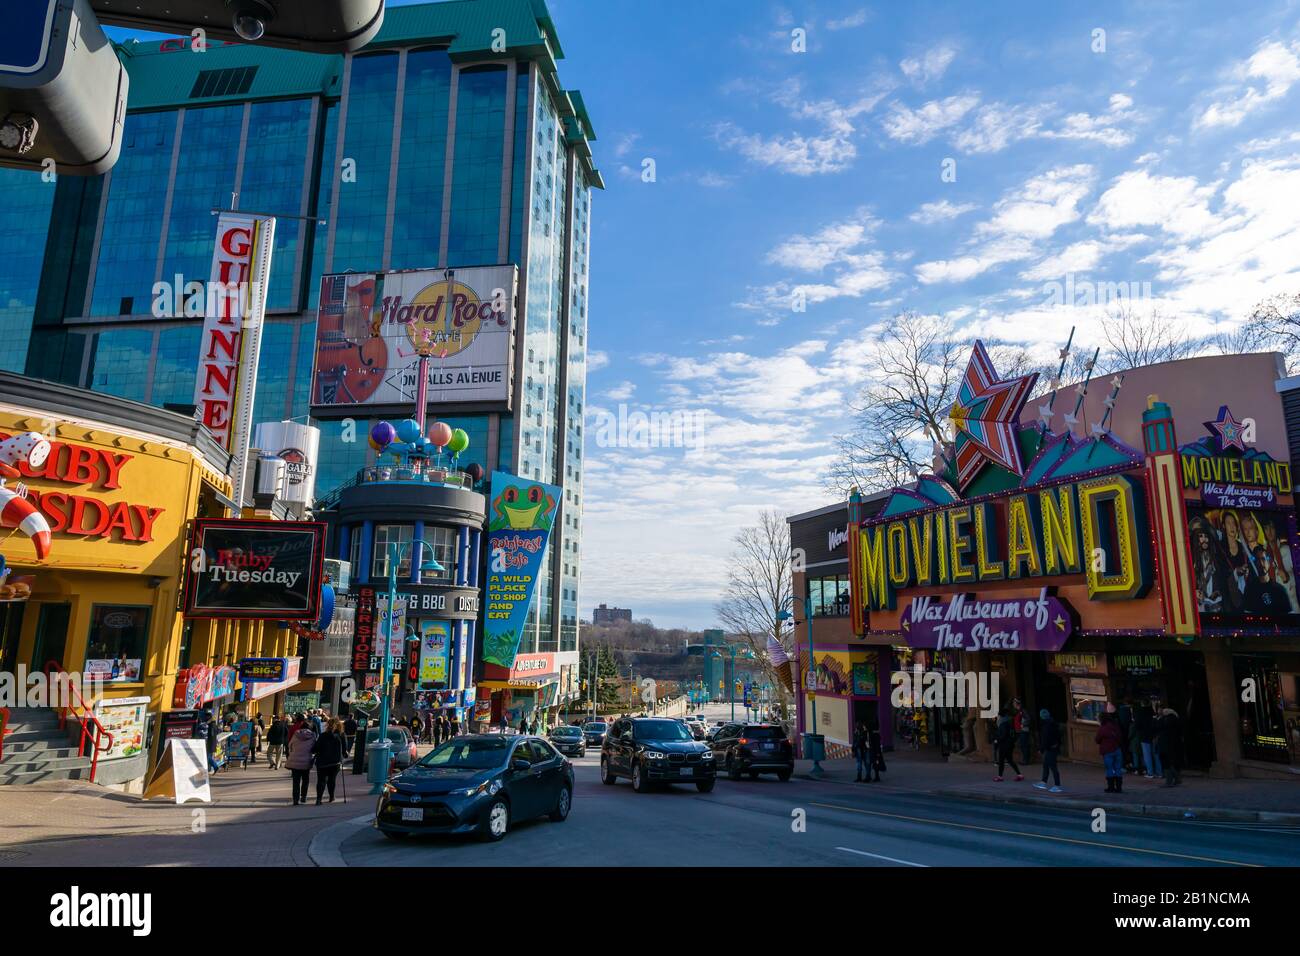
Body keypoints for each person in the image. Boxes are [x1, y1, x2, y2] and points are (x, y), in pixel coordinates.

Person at [312, 718, 347, 804]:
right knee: (332, 779)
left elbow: (316, 748)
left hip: (322, 761)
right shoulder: (341, 735)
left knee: (321, 780)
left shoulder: (323, 735)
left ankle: (319, 799)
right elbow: (345, 749)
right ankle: (331, 796)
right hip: (335, 762)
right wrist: (344, 754)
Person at [286, 720, 317, 805]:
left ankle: (295, 799)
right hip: (306, 761)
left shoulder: (296, 734)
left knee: (296, 781)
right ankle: (303, 797)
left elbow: (290, 745)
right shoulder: (312, 735)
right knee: (305, 780)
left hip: (294, 760)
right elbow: (314, 748)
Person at [1034, 709, 1063, 792]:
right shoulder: (1053, 724)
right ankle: (1043, 782)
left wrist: (1041, 749)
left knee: (1053, 767)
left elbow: (1045, 739)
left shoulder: (1047, 726)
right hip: (1053, 747)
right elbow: (1058, 736)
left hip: (1050, 748)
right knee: (1046, 765)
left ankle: (1057, 785)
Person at [1097, 711, 1124, 792]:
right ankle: (1119, 788)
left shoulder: (1102, 728)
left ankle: (1111, 787)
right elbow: (1120, 737)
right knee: (1118, 768)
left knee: (1109, 769)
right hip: (1117, 749)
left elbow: (1097, 739)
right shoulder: (1115, 726)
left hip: (1107, 750)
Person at [994, 708, 1023, 781]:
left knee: (1001, 761)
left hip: (1004, 744)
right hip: (1010, 744)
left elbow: (1003, 735)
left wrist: (997, 740)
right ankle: (1019, 774)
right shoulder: (1010, 722)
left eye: (998, 716)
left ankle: (1000, 776)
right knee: (1010, 760)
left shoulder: (1003, 724)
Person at [1157, 707, 1184, 787]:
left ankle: (1170, 781)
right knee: (1172, 762)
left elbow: (1156, 727)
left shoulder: (1163, 720)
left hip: (1164, 744)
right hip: (1175, 744)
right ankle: (1177, 778)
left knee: (1166, 763)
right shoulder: (1177, 719)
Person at [1136, 699, 1160, 778]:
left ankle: (1150, 772)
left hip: (1144, 736)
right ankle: (1159, 772)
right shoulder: (1152, 712)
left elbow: (1138, 725)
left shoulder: (1140, 713)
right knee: (1156, 754)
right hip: (1154, 735)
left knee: (1147, 755)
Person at [1013, 698, 1032, 765]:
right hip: (1020, 731)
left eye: (1014, 703)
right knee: (1022, 745)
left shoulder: (1023, 710)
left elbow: (1028, 719)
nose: (1013, 704)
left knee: (1025, 745)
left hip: (1023, 730)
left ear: (1017, 704)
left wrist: (1023, 725)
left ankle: (1026, 760)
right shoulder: (1018, 711)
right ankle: (1025, 759)